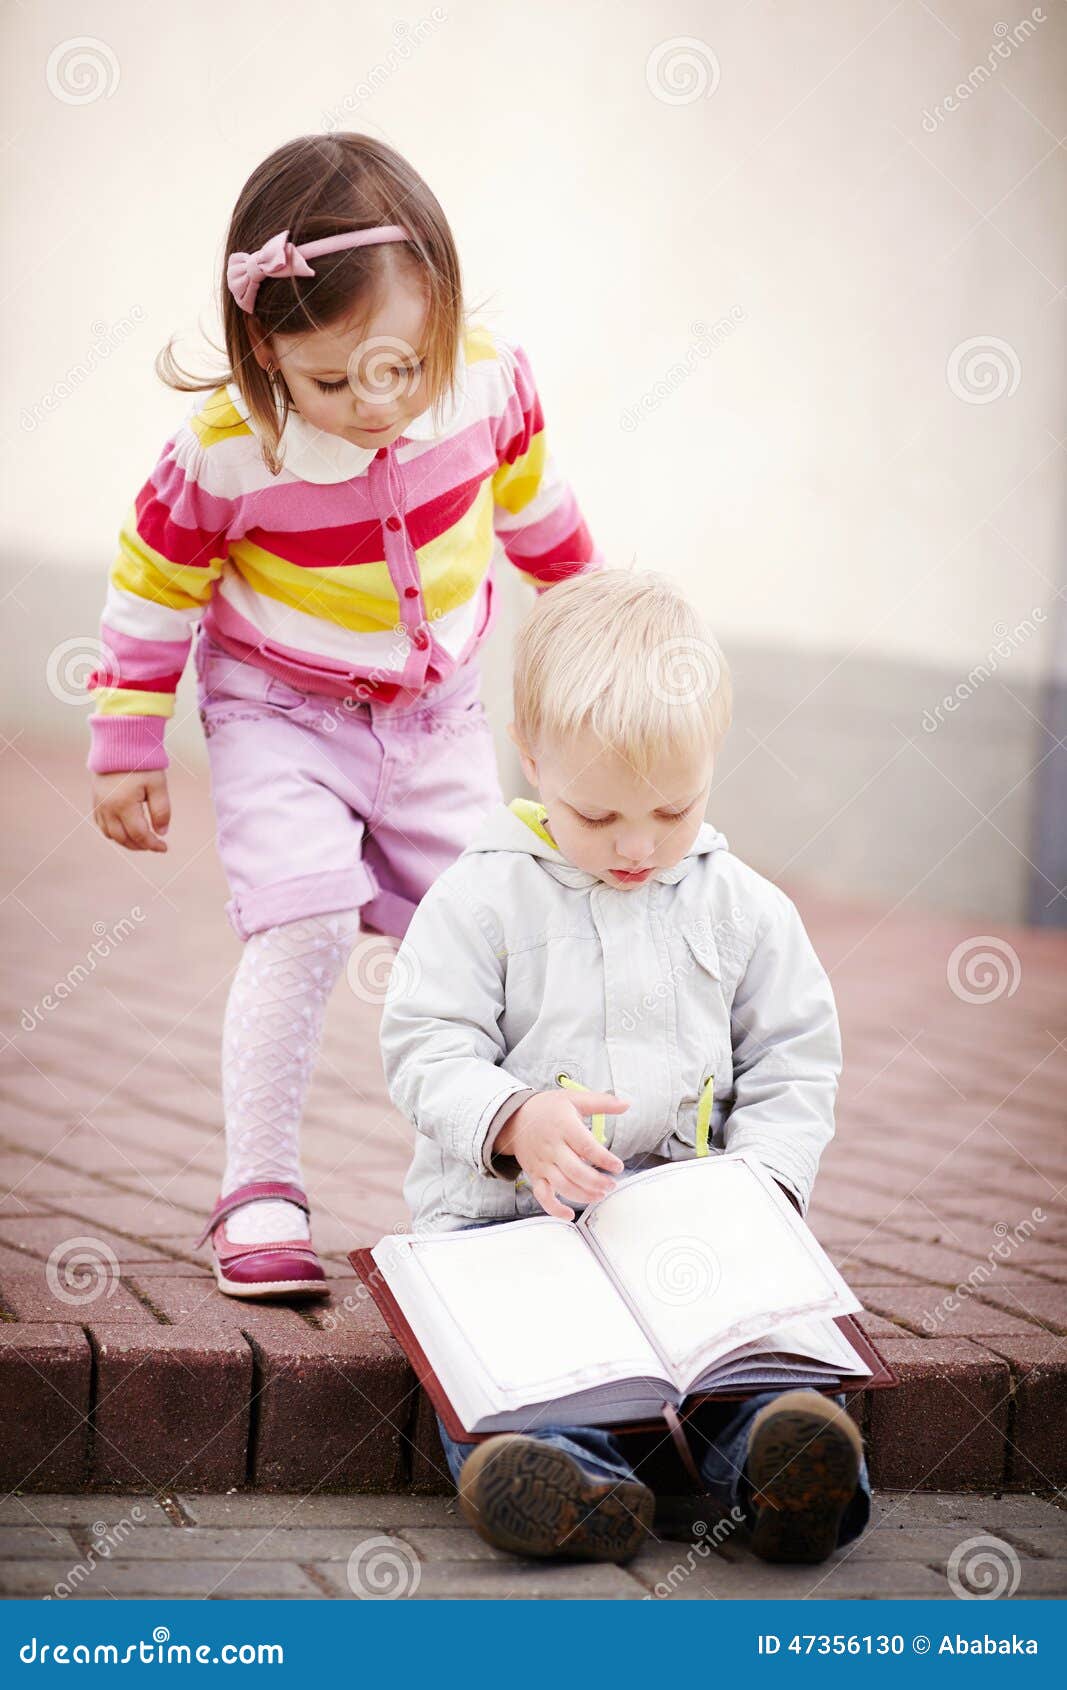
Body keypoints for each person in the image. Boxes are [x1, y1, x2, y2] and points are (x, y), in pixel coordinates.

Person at [86, 133, 601, 1296]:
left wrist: (591, 629)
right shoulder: (226, 451)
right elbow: (153, 587)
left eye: (400, 368)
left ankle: (507, 1182)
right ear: (265, 347)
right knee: (306, 926)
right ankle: (258, 1187)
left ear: (447, 313)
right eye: (332, 380)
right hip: (280, 717)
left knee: (481, 934)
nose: (375, 404)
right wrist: (127, 745)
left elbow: (539, 518)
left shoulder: (487, 380)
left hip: (438, 721)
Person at [379, 569, 870, 1564]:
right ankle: (560, 1478)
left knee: (759, 1364)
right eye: (596, 817)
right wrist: (512, 1119)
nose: (636, 845)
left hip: (692, 1234)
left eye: (671, 810)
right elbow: (426, 1043)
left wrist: (762, 1187)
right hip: (509, 1231)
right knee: (508, 1371)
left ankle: (780, 1472)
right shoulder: (480, 899)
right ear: (530, 757)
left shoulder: (743, 908)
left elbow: (792, 1060)